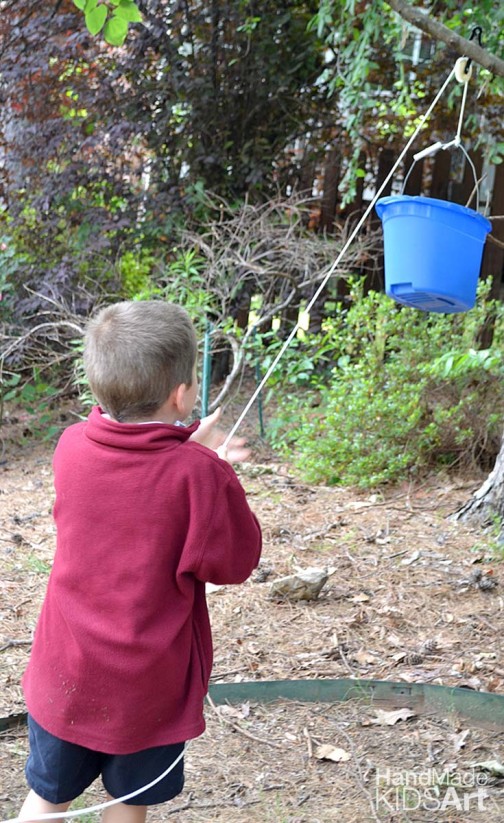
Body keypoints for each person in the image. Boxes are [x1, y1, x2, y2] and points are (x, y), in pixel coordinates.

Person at [19, 300, 262, 823]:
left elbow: (133, 477)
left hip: (64, 676)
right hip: (145, 691)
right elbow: (234, 563)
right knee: (127, 806)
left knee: (47, 798)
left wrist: (187, 449)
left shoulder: (70, 446)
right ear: (181, 395)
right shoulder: (196, 475)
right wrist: (212, 471)